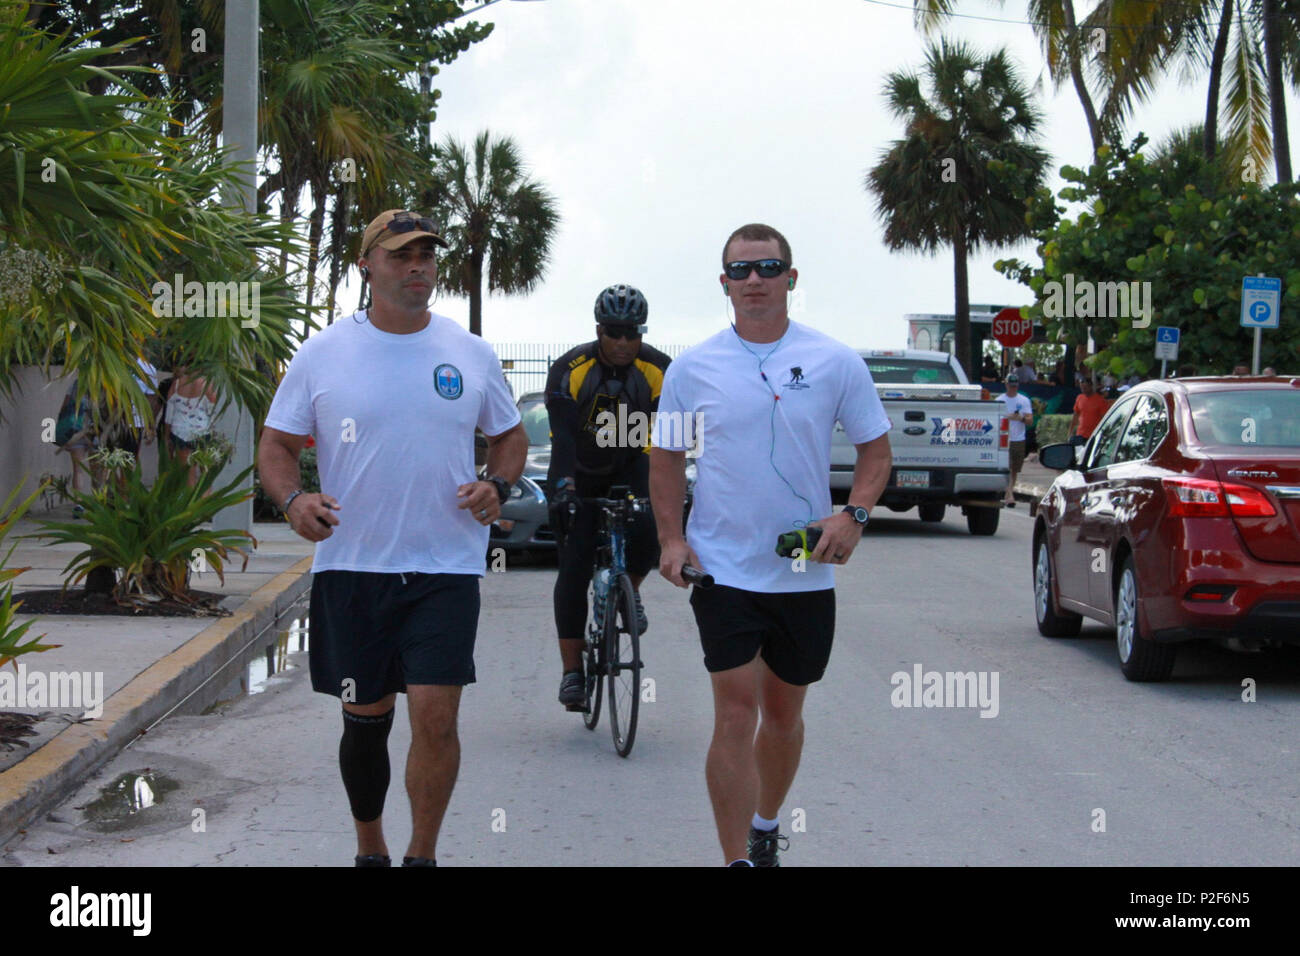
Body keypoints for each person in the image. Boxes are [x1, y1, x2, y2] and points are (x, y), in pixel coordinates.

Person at [257, 208, 527, 868]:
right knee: (366, 721)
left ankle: (422, 857)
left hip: (446, 567)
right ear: (367, 265)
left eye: (428, 255)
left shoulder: (469, 353)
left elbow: (510, 436)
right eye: (402, 254)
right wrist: (294, 501)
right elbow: (277, 445)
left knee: (436, 717)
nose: (419, 267)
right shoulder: (325, 353)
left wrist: (497, 483)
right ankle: (370, 848)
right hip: (353, 568)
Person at [650, 223, 892, 867]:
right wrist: (672, 539)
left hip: (800, 563)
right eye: (741, 270)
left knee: (782, 714)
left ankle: (765, 823)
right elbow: (666, 457)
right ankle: (735, 861)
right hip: (721, 565)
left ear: (791, 276)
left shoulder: (836, 360)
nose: (754, 280)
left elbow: (876, 451)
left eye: (768, 267)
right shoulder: (691, 367)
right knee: (735, 711)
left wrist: (854, 516)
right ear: (723, 283)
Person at [545, 285, 672, 710]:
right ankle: (572, 673)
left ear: (642, 332)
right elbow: (561, 437)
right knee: (574, 568)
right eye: (614, 333)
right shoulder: (571, 368)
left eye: (632, 333)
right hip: (578, 470)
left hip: (632, 463)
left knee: (650, 530)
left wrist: (668, 491)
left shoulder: (658, 369)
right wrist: (564, 491)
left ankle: (626, 591)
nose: (623, 343)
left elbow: (668, 441)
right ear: (599, 330)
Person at [164, 360, 219, 485]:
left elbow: (169, 415)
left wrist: (166, 437)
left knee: (188, 475)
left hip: (179, 433)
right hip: (202, 433)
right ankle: (205, 501)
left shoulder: (176, 384)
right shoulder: (207, 385)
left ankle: (189, 502)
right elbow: (212, 412)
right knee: (206, 477)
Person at [997, 376, 1032, 508]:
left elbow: (1030, 420)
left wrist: (1020, 418)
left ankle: (1009, 491)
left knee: (1014, 469)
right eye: (1011, 385)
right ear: (1006, 385)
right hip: (1004, 438)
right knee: (1006, 466)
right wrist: (1007, 417)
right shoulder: (1000, 400)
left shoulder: (1024, 401)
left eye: (1015, 385)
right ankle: (1009, 494)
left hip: (1019, 438)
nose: (1013, 388)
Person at [1069, 377, 1110, 446]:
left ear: (1090, 386)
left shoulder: (1100, 400)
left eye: (1085, 387)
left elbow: (1105, 419)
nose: (1083, 389)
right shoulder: (1079, 398)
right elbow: (1075, 417)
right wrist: (1070, 433)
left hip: (1093, 436)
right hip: (1080, 435)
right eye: (1081, 387)